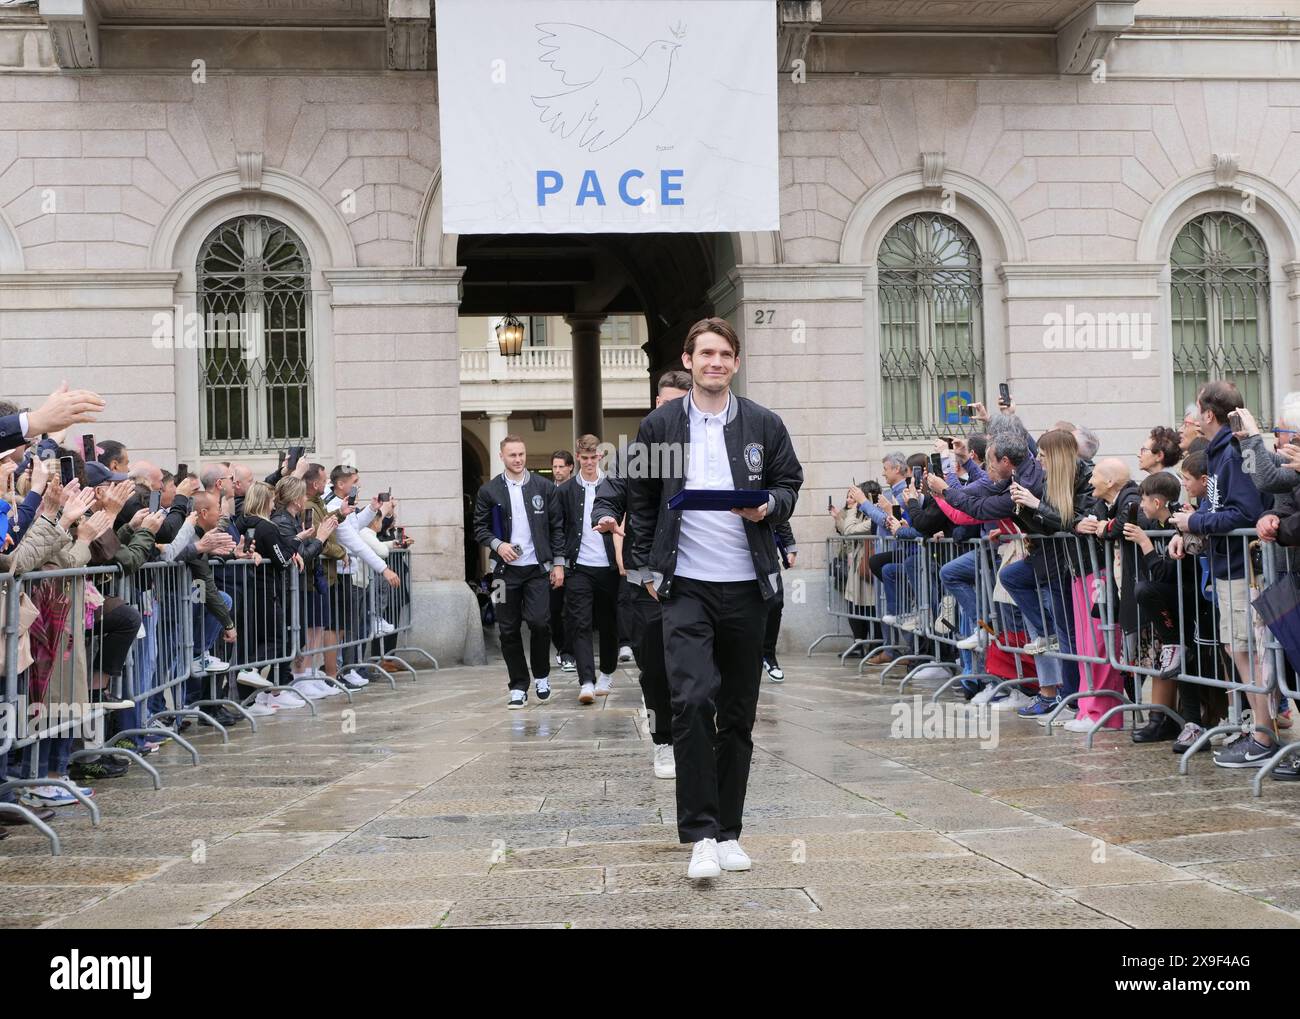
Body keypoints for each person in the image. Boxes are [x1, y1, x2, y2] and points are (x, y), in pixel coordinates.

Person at [622, 317, 803, 881]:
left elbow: (788, 483)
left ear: (736, 362)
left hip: (747, 586)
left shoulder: (763, 423)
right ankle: (700, 833)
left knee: (739, 714)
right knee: (693, 701)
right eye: (706, 354)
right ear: (690, 359)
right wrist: (648, 569)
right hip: (686, 587)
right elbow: (643, 498)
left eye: (725, 354)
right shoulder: (660, 426)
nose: (715, 362)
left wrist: (768, 507)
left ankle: (729, 832)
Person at [1170, 380, 1278, 768]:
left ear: (1209, 414)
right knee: (1239, 648)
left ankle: (1263, 735)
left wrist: (1195, 521)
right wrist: (1193, 527)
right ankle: (1261, 731)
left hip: (1241, 568)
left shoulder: (1230, 454)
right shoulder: (1218, 453)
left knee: (1245, 649)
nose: (1195, 418)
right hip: (1228, 565)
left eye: (1198, 411)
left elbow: (1244, 513)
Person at [593, 369, 692, 780]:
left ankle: (699, 738)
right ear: (655, 406)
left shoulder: (710, 450)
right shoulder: (633, 454)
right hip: (646, 579)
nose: (669, 411)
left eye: (677, 405)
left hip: (696, 576)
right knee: (655, 667)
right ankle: (663, 741)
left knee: (699, 667)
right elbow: (610, 493)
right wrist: (605, 517)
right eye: (664, 404)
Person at [472, 435, 565, 708]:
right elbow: (479, 528)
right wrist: (498, 545)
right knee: (508, 629)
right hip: (502, 573)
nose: (518, 459)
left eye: (521, 454)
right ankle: (518, 685)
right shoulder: (489, 491)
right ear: (502, 456)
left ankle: (542, 676)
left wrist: (558, 562)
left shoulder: (544, 487)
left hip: (537, 569)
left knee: (539, 622)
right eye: (512, 455)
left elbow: (557, 526)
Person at [559, 434, 619, 704]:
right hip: (578, 566)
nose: (588, 463)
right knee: (580, 623)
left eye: (593, 458)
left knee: (608, 623)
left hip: (608, 567)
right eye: (583, 458)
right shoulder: (565, 490)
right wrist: (559, 561)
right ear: (578, 457)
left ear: (600, 457)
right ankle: (586, 681)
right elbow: (558, 528)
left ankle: (606, 672)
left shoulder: (614, 487)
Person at [550, 449, 576, 673]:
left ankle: (569, 652)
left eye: (561, 467)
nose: (557, 471)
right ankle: (561, 648)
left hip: (573, 559)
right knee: (552, 610)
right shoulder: (548, 491)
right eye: (554, 467)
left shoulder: (576, 491)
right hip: (551, 559)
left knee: (571, 609)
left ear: (570, 467)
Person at [761, 520, 797, 682]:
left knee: (775, 603)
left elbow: (780, 515)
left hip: (766, 558)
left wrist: (790, 547)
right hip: (730, 561)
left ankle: (768, 656)